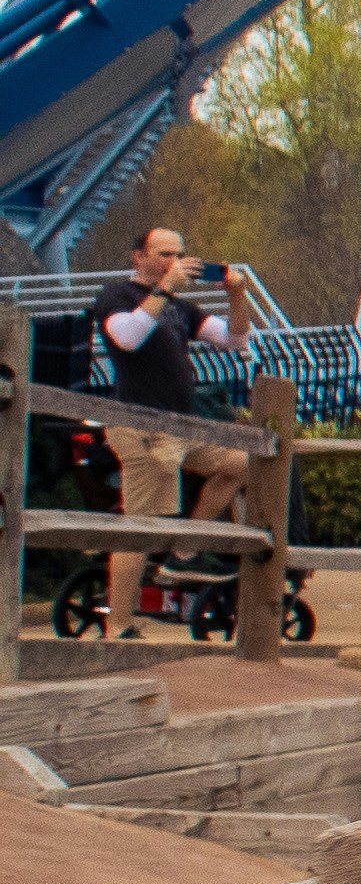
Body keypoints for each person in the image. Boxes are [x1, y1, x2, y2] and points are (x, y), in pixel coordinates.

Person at [87, 226, 240, 630]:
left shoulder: (181, 308)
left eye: (179, 254)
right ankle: (118, 625)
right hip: (139, 426)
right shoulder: (117, 295)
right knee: (141, 524)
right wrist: (163, 291)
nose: (173, 262)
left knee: (241, 463)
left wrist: (236, 294)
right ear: (139, 257)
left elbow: (236, 340)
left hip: (180, 425)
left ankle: (186, 552)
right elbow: (127, 338)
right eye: (163, 254)